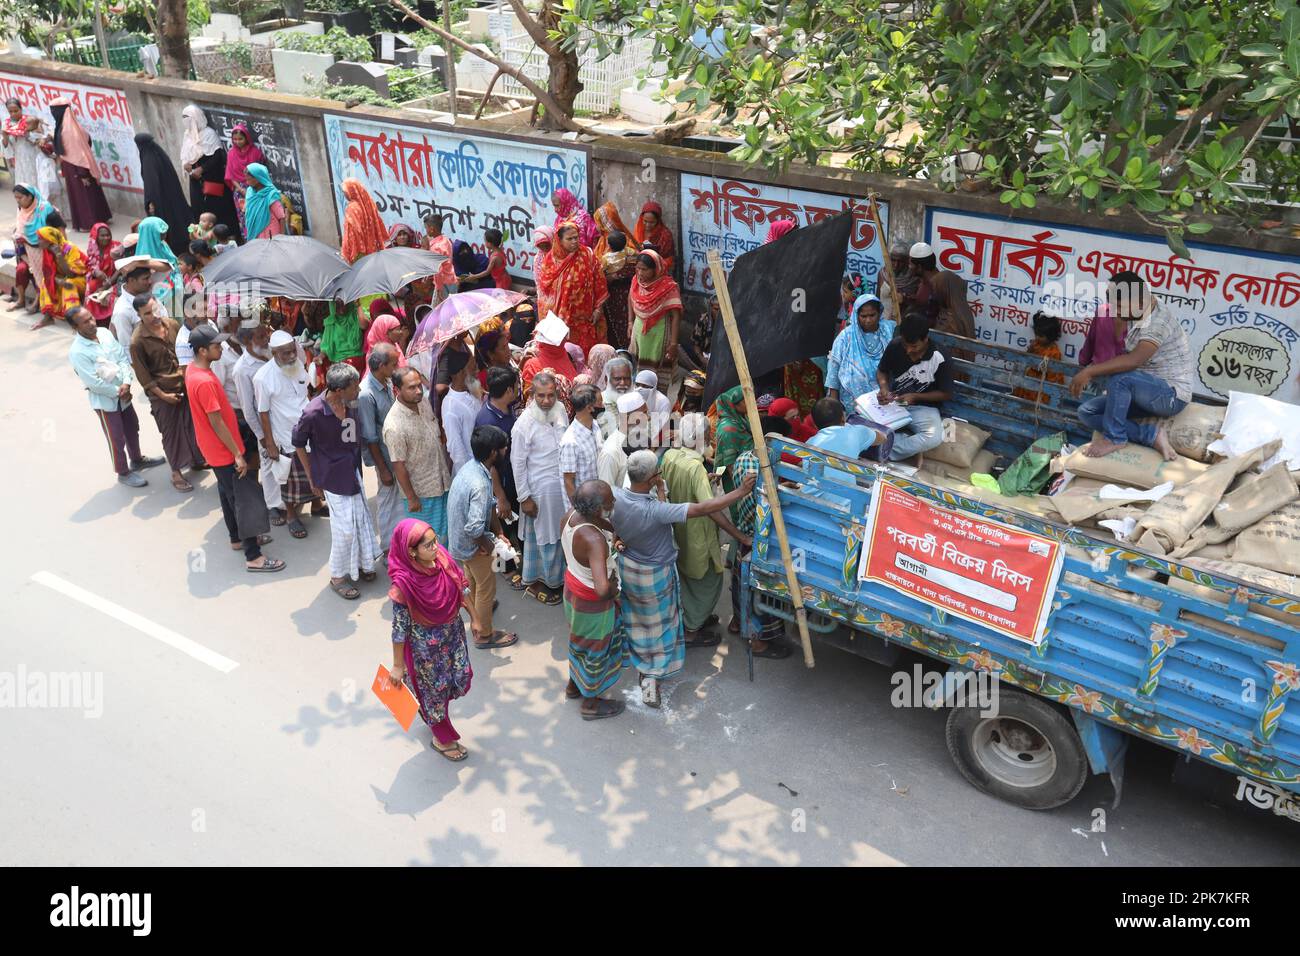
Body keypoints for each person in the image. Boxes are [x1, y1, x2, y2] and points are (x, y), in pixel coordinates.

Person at [612, 450, 756, 707]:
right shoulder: (653, 511)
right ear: (650, 478)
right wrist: (740, 492)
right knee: (658, 628)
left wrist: (617, 536)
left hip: (630, 567)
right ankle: (651, 679)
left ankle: (645, 667)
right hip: (654, 574)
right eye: (658, 472)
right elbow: (702, 508)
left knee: (640, 622)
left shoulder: (617, 497)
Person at [186, 325, 283, 572]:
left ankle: (236, 538)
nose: (221, 348)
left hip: (213, 449)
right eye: (216, 346)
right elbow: (216, 421)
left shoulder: (193, 370)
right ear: (202, 350)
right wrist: (237, 454)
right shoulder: (205, 381)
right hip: (224, 451)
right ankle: (254, 556)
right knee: (244, 500)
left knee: (227, 494)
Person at [385, 518, 480, 762]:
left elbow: (461, 588)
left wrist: (475, 618)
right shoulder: (403, 586)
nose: (436, 548)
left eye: (435, 541)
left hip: (453, 637)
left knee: (459, 677)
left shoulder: (443, 560)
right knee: (435, 692)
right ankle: (442, 738)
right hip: (426, 651)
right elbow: (399, 629)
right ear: (411, 552)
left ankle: (427, 708)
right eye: (428, 545)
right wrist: (398, 665)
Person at [1071, 272, 1192, 461]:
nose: (1115, 311)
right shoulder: (1136, 311)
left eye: (1119, 306)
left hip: (1170, 396)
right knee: (1087, 412)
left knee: (1121, 378)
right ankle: (1151, 435)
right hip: (1144, 392)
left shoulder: (1158, 321)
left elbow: (1134, 360)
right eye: (1112, 304)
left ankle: (1115, 438)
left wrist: (1089, 370)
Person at [663, 412, 752, 644]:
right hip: (697, 533)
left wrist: (705, 481)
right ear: (699, 437)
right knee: (709, 581)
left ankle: (693, 618)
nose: (710, 439)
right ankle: (692, 630)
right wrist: (740, 534)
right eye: (706, 435)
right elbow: (710, 509)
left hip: (679, 530)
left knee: (688, 578)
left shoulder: (671, 456)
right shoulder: (695, 468)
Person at [293, 363, 378, 600]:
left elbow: (351, 436)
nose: (358, 390)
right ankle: (338, 577)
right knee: (345, 531)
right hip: (330, 477)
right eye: (353, 387)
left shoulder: (351, 403)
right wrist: (312, 478)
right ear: (338, 390)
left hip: (351, 472)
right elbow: (298, 443)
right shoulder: (313, 413)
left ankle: (363, 563)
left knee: (360, 520)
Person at [67, 306, 164, 488]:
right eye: (85, 322)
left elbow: (121, 357)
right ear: (75, 328)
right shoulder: (77, 352)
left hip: (123, 394)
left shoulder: (104, 333)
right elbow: (93, 382)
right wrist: (119, 392)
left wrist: (127, 383)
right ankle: (123, 472)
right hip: (106, 402)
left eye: (91, 318)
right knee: (116, 437)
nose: (92, 323)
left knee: (132, 427)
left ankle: (137, 459)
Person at [726, 414, 793, 658]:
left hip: (743, 529)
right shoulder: (766, 471)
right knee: (757, 590)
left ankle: (736, 622)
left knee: (738, 582)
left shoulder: (744, 458)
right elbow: (767, 508)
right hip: (757, 537)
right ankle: (757, 641)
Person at [446, 424, 517, 650]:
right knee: (487, 588)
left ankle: (477, 615)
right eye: (504, 448)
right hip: (472, 545)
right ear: (494, 453)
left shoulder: (472, 468)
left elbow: (489, 507)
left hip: (460, 544)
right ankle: (485, 634)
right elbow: (475, 528)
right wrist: (490, 547)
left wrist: (499, 533)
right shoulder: (479, 484)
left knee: (473, 581)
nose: (506, 452)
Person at [562, 479, 626, 719]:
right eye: (610, 501)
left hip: (573, 590)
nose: (614, 503)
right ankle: (590, 703)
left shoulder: (569, 516)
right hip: (593, 603)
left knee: (579, 642)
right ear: (597, 508)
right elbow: (601, 589)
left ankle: (573, 686)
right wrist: (614, 589)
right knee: (596, 650)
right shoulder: (593, 539)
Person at [129, 294, 206, 492]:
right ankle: (176, 473)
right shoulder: (137, 341)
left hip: (185, 385)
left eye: (155, 310)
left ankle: (196, 460)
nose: (153, 316)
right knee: (171, 433)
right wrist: (163, 396)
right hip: (161, 393)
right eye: (147, 313)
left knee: (192, 426)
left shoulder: (172, 325)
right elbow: (144, 377)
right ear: (138, 315)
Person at [510, 371, 569, 605]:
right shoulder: (523, 425)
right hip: (539, 491)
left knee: (561, 534)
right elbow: (518, 464)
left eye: (551, 395)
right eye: (541, 396)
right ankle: (547, 582)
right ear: (532, 394)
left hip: (563, 487)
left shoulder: (561, 410)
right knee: (546, 537)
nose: (546, 401)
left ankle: (560, 579)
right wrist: (524, 497)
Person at [255, 328, 318, 538]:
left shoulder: (297, 364)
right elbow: (263, 412)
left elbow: (306, 390)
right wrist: (269, 443)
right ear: (274, 353)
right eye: (286, 353)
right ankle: (291, 515)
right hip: (286, 435)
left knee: (315, 470)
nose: (291, 356)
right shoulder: (262, 378)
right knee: (290, 479)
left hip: (309, 428)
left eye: (293, 350)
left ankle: (316, 505)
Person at [384, 365, 452, 540]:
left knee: (444, 538)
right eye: (411, 387)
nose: (418, 391)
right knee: (426, 543)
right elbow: (398, 465)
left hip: (442, 483)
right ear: (397, 390)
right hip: (422, 494)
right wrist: (412, 497)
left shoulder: (423, 402)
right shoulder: (394, 425)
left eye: (419, 385)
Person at [876, 313, 954, 460]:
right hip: (895, 403)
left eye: (914, 346)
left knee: (934, 437)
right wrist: (884, 388)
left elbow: (946, 393)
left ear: (925, 339)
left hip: (925, 408)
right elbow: (882, 371)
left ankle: (885, 452)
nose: (908, 350)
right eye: (905, 345)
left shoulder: (940, 357)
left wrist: (916, 396)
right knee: (867, 424)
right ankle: (891, 443)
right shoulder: (895, 346)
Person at [230, 320, 284, 521]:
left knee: (284, 461)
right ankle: (273, 505)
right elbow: (247, 408)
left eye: (266, 335)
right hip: (265, 426)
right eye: (260, 337)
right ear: (247, 340)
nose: (266, 340)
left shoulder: (269, 355)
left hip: (281, 420)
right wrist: (261, 435)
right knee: (269, 465)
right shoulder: (241, 370)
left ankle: (287, 500)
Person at [535, 221, 608, 356]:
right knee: (566, 355)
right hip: (561, 322)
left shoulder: (587, 255)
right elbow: (544, 293)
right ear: (560, 240)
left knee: (585, 356)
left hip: (586, 319)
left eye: (576, 237)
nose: (575, 241)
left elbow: (599, 282)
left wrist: (598, 308)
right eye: (570, 239)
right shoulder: (550, 261)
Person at [825, 292, 897, 419]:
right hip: (852, 403)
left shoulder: (889, 330)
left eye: (872, 315)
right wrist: (835, 407)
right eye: (863, 316)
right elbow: (833, 373)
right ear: (856, 315)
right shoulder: (845, 337)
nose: (868, 320)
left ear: (879, 313)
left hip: (883, 399)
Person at [358, 343, 402, 547]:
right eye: (394, 363)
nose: (397, 367)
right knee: (387, 502)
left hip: (394, 451)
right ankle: (387, 547)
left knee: (397, 502)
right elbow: (369, 437)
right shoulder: (366, 394)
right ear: (382, 365)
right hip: (384, 456)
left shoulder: (386, 384)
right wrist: (382, 469)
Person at [48, 98, 110, 231]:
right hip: (72, 168)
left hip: (78, 169)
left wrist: (82, 174)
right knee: (83, 196)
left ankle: (90, 223)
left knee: (84, 197)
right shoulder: (66, 126)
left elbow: (79, 154)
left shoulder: (69, 131)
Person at [180, 105, 239, 238]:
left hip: (211, 178)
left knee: (217, 209)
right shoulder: (187, 135)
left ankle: (223, 237)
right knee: (199, 208)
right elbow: (185, 153)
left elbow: (216, 156)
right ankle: (204, 237)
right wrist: (186, 164)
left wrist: (201, 169)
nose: (185, 121)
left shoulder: (209, 134)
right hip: (195, 179)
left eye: (188, 117)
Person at [134, 132, 192, 257]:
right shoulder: (158, 153)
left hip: (162, 200)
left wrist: (150, 201)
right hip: (172, 196)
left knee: (168, 224)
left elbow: (151, 183)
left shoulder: (148, 159)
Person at [628, 250, 682, 383]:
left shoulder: (669, 287)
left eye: (644, 269)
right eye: (638, 268)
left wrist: (674, 343)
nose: (640, 273)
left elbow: (676, 316)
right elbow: (630, 298)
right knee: (638, 369)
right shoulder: (636, 281)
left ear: (656, 269)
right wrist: (630, 322)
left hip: (659, 333)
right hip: (639, 330)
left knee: (657, 370)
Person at [476, 365, 520, 521]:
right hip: (503, 481)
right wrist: (501, 497)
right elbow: (489, 463)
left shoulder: (507, 406)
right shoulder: (488, 421)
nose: (518, 389)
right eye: (516, 386)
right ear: (508, 390)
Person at [908, 241, 975, 338]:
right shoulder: (925, 282)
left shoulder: (939, 285)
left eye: (910, 264)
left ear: (919, 267)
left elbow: (931, 318)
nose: (909, 268)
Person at [806, 396, 890, 472]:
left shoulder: (809, 443)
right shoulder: (855, 432)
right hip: (842, 488)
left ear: (815, 425)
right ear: (843, 418)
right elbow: (883, 438)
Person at [3, 100, 59, 206]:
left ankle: (44, 212)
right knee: (24, 187)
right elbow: (6, 146)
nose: (14, 113)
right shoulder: (7, 124)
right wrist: (5, 136)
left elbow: (41, 139)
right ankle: (28, 213)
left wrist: (27, 134)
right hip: (21, 161)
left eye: (16, 110)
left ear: (21, 109)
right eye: (11, 111)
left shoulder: (30, 120)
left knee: (40, 185)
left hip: (35, 158)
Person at [8, 183, 54, 316]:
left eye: (20, 197)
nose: (18, 201)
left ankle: (39, 301)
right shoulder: (21, 210)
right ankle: (21, 299)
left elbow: (53, 234)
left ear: (30, 196)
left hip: (42, 253)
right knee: (21, 270)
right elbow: (20, 230)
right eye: (16, 198)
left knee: (40, 272)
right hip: (26, 254)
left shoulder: (44, 210)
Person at [33, 225, 87, 328]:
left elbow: (72, 274)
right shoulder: (47, 250)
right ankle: (48, 318)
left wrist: (59, 255)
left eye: (40, 239)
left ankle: (76, 321)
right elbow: (48, 274)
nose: (37, 242)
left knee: (69, 284)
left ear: (49, 240)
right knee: (46, 281)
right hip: (63, 278)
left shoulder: (69, 248)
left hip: (80, 279)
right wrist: (58, 281)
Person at [559, 383, 603, 506]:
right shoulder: (571, 442)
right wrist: (579, 510)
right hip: (583, 507)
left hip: (596, 501)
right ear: (590, 408)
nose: (603, 406)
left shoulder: (595, 426)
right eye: (600, 403)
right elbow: (568, 481)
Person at [441, 348, 481, 476]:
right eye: (473, 368)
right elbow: (456, 449)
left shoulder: (471, 391)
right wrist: (470, 475)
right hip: (471, 471)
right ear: (460, 373)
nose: (477, 371)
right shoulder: (451, 406)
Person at [1012, 311, 1065, 403]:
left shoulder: (1055, 353)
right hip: (1027, 384)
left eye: (1040, 336)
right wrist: (1030, 351)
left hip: (1042, 388)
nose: (1037, 337)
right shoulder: (1036, 344)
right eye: (1036, 334)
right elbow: (1026, 360)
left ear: (1051, 336)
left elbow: (1054, 378)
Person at [223, 122, 264, 240]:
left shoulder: (255, 153)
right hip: (240, 192)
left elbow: (259, 173)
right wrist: (241, 189)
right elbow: (230, 174)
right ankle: (248, 239)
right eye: (235, 139)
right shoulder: (231, 153)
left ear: (246, 138)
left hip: (255, 189)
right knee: (244, 217)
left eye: (240, 139)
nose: (237, 142)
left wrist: (251, 189)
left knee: (257, 215)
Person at [598, 390, 645, 490]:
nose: (648, 417)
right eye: (644, 413)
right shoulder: (611, 451)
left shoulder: (639, 438)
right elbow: (607, 490)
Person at [520, 312, 578, 393]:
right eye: (560, 339)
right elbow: (529, 394)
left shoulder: (564, 354)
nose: (564, 341)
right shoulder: (532, 364)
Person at [110, 264, 159, 351]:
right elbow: (127, 348)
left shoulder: (149, 293)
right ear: (132, 280)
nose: (150, 281)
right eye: (145, 278)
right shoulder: (122, 311)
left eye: (149, 277)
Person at [242, 163, 286, 239]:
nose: (247, 182)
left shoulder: (271, 195)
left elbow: (281, 217)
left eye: (248, 179)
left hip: (271, 235)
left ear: (257, 179)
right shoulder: (249, 192)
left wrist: (282, 238)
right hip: (255, 235)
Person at [1078, 300, 1124, 368]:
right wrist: (1083, 362)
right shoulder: (1103, 311)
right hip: (1096, 372)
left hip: (1124, 374)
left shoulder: (1140, 321)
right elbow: (1091, 340)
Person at [633, 201, 675, 274]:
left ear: (658, 221)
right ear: (641, 218)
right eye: (645, 221)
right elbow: (633, 245)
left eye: (652, 222)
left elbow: (668, 259)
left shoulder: (665, 235)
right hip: (640, 266)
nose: (648, 225)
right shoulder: (639, 228)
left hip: (658, 267)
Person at [423, 213, 457, 299]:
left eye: (426, 228)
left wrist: (438, 288)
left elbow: (438, 270)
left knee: (443, 309)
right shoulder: (445, 240)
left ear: (431, 229)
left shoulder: (435, 248)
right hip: (451, 278)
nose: (426, 230)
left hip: (443, 284)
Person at [635, 369, 672, 446]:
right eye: (637, 385)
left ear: (653, 386)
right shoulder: (633, 396)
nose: (640, 389)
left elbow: (660, 427)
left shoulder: (663, 402)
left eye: (645, 386)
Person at [531, 227, 555, 315]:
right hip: (544, 298)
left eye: (546, 245)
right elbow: (538, 281)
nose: (544, 249)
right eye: (540, 246)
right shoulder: (538, 259)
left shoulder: (560, 256)